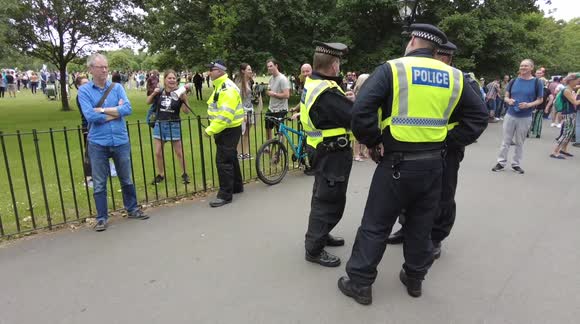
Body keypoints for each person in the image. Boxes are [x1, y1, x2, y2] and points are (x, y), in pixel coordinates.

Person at [337, 24, 487, 305]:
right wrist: (447, 141)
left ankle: (360, 282)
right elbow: (479, 116)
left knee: (376, 223)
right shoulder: (455, 77)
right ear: (435, 48)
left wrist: (373, 142)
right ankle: (415, 278)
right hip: (434, 165)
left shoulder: (393, 69)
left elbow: (361, 110)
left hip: (395, 163)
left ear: (414, 41)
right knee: (421, 225)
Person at [78, 54, 149, 232]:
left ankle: (132, 208)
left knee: (126, 177)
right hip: (98, 142)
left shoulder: (116, 87)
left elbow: (128, 109)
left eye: (106, 67)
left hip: (120, 139)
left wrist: (102, 110)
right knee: (100, 182)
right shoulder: (84, 91)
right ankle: (101, 217)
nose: (104, 70)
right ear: (91, 69)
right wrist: (116, 112)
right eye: (100, 67)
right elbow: (90, 116)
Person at [300, 41, 355, 267]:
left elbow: (335, 110)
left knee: (322, 196)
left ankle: (322, 234)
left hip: (321, 150)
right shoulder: (327, 92)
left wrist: (345, 99)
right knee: (328, 201)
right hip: (332, 153)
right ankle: (314, 249)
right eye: (338, 62)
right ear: (333, 65)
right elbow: (354, 118)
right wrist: (354, 103)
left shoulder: (314, 83)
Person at [203, 60, 245, 207]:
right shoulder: (220, 85)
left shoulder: (227, 88)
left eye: (212, 69)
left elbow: (224, 116)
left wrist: (210, 130)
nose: (209, 72)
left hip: (228, 129)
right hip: (229, 129)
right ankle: (237, 186)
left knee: (223, 161)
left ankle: (225, 195)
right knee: (231, 157)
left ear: (220, 71)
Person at [491, 59, 544, 175]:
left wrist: (528, 105)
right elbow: (505, 96)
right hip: (510, 115)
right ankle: (501, 162)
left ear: (531, 68)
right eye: (521, 66)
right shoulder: (513, 81)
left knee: (520, 142)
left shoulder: (537, 82)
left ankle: (516, 164)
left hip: (525, 117)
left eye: (525, 66)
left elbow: (540, 99)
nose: (523, 68)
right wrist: (508, 100)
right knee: (506, 140)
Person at [146, 69, 192, 185]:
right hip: (160, 124)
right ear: (165, 80)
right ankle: (161, 174)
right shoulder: (160, 92)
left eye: (173, 78)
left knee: (179, 152)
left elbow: (186, 111)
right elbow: (148, 102)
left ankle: (184, 174)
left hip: (174, 124)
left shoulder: (179, 92)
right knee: (158, 152)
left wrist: (185, 98)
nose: (171, 80)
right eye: (169, 78)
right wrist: (154, 93)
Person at [550, 73, 579, 158]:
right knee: (566, 133)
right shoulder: (566, 90)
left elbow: (576, 88)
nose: (578, 82)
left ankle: (564, 149)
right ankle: (555, 152)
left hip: (570, 113)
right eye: (578, 80)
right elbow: (575, 102)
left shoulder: (569, 88)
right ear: (571, 81)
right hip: (568, 113)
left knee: (570, 133)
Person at [265, 59, 291, 141]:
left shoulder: (283, 79)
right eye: (268, 67)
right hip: (271, 107)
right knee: (267, 127)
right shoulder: (271, 79)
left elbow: (287, 95)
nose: (269, 68)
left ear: (276, 66)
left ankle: (280, 150)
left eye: (271, 66)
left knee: (279, 131)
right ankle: (268, 145)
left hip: (281, 109)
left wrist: (274, 94)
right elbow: (270, 90)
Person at [234, 63, 255, 160]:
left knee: (247, 132)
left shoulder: (250, 82)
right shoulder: (239, 84)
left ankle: (245, 153)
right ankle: (238, 153)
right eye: (248, 69)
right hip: (243, 111)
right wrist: (243, 113)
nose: (250, 71)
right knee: (241, 133)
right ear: (243, 71)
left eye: (250, 69)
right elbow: (238, 100)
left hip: (250, 109)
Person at [352, 74, 370, 162]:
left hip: (366, 114)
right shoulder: (355, 92)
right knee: (357, 136)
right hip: (358, 115)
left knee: (365, 134)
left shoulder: (368, 90)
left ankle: (363, 152)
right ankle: (356, 154)